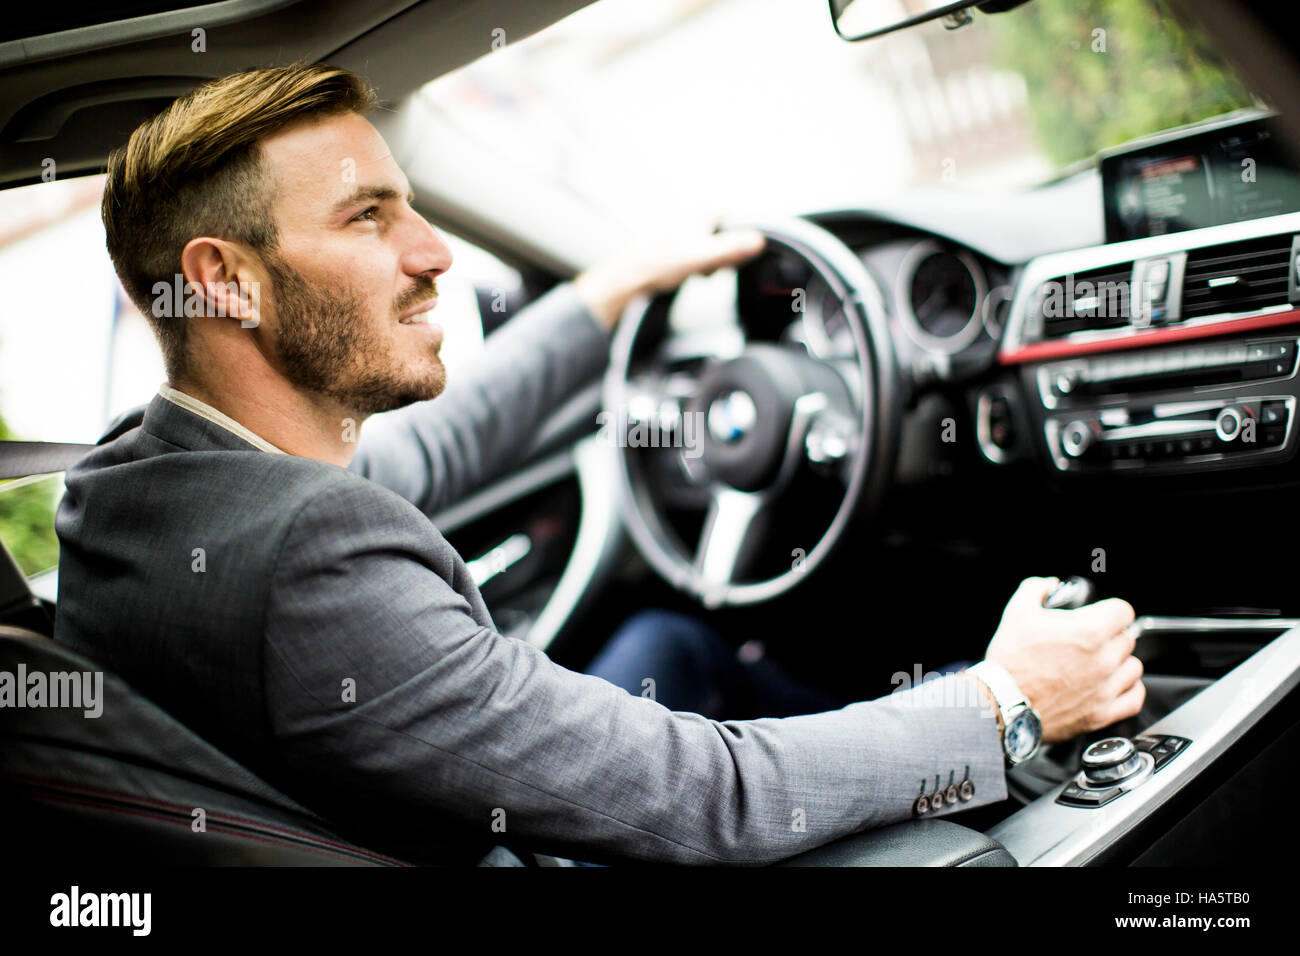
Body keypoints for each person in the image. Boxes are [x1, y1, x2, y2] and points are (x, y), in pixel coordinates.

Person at [54, 63, 1144, 865]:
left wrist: (606, 291)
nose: (434, 252)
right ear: (228, 281)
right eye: (369, 216)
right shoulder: (311, 570)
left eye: (415, 205)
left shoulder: (138, 489)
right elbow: (702, 797)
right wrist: (1004, 704)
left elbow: (441, 442)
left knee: (673, 637)